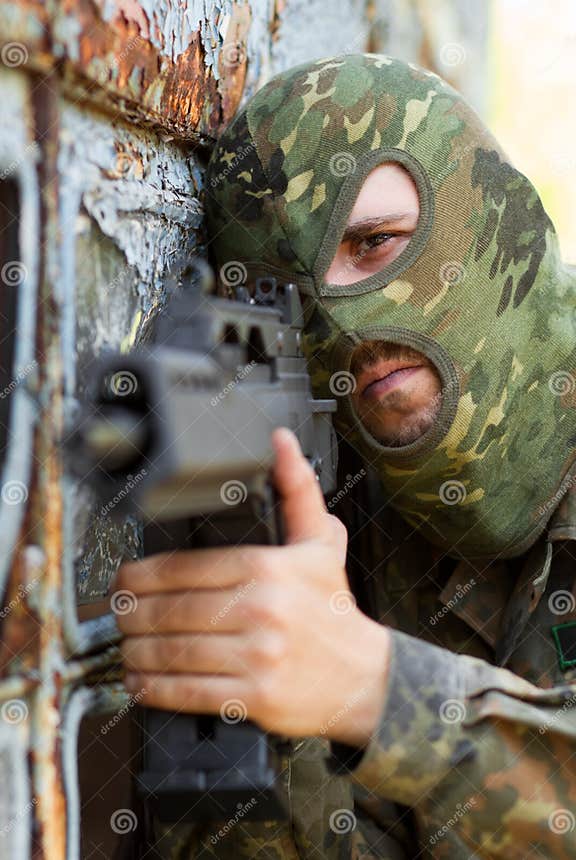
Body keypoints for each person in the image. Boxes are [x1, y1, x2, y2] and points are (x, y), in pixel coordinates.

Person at [115, 53, 576, 858]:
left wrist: (374, 692)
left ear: (495, 217)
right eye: (295, 298)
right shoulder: (354, 520)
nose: (348, 327)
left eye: (377, 245)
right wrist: (249, 715)